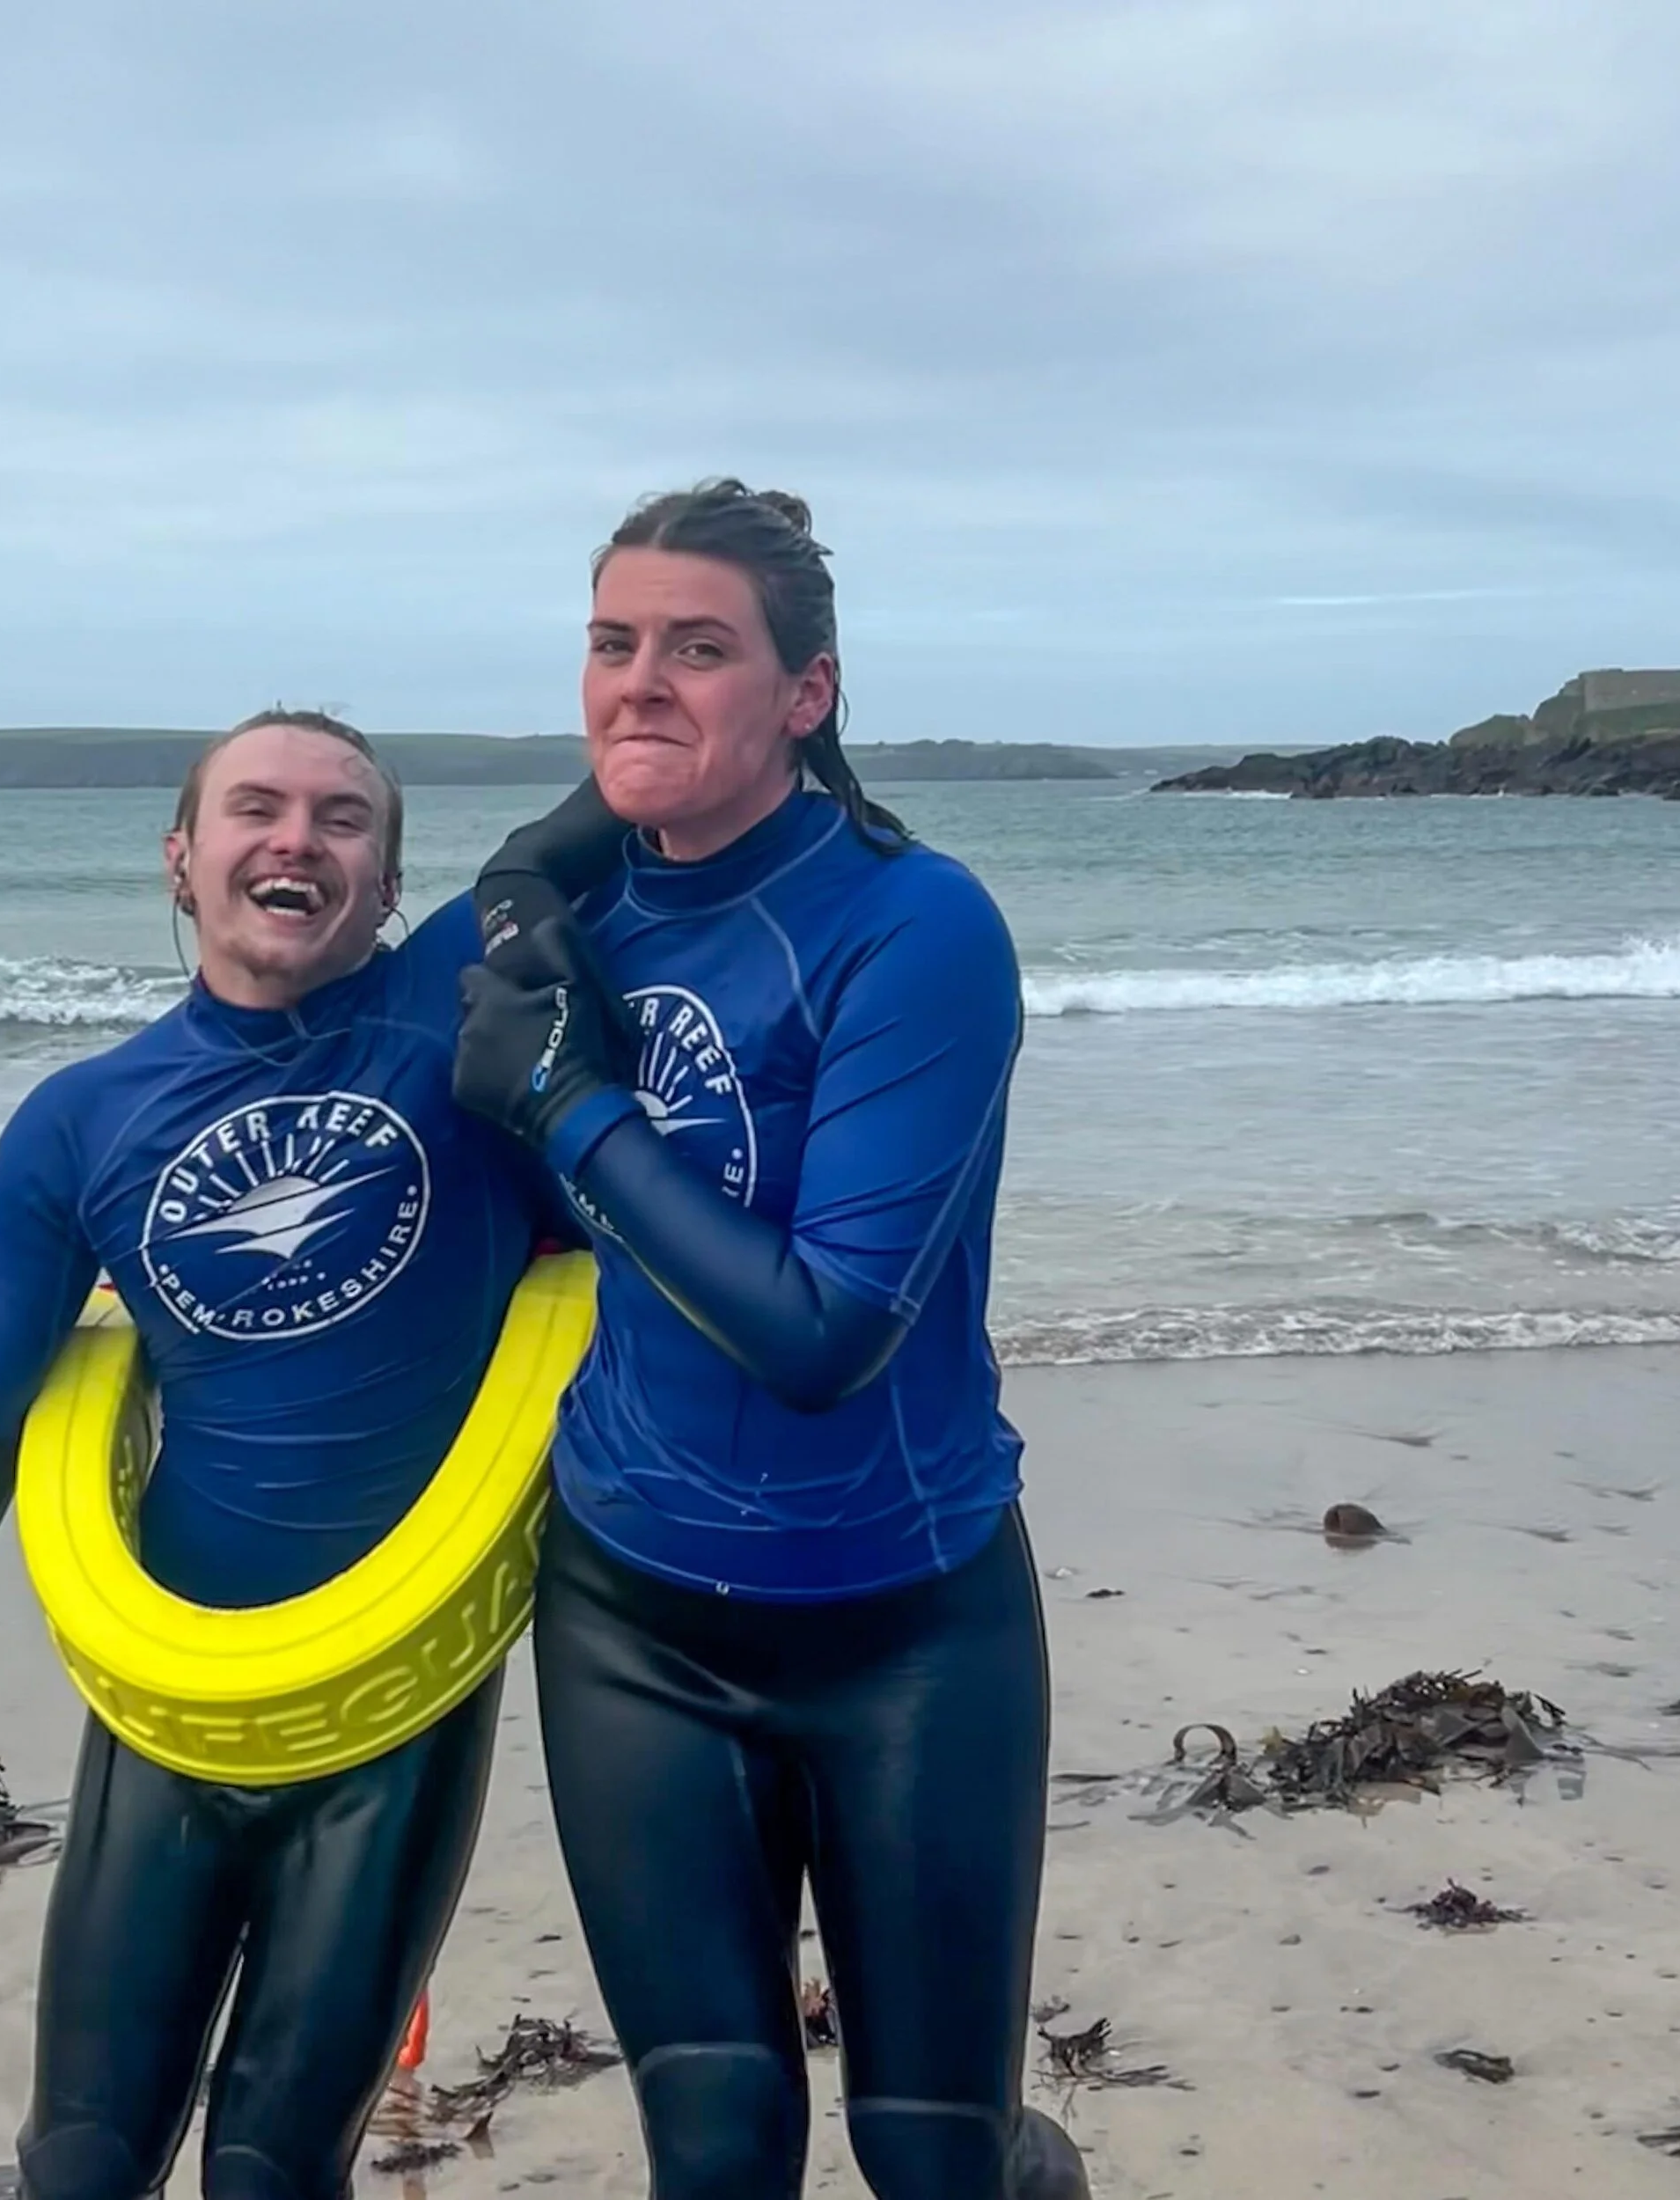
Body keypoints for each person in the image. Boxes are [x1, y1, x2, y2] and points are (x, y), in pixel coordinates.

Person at [452, 480, 1090, 2200]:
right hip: (628, 1612)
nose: (641, 680)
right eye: (613, 642)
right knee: (718, 2141)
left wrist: (574, 1107)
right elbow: (353, 1116)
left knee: (932, 2153)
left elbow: (826, 1331)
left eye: (698, 646)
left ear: (805, 691)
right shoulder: (556, 923)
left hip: (906, 1621)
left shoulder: (915, 925)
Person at [0, 712, 561, 2200]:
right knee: (79, 2161)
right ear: (180, 859)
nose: (296, 838)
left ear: (394, 886)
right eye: (254, 808)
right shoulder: (75, 1124)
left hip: (390, 1714)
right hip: (172, 1715)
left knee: (275, 2165)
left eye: (345, 819)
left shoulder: (451, 1035)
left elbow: (624, 815)